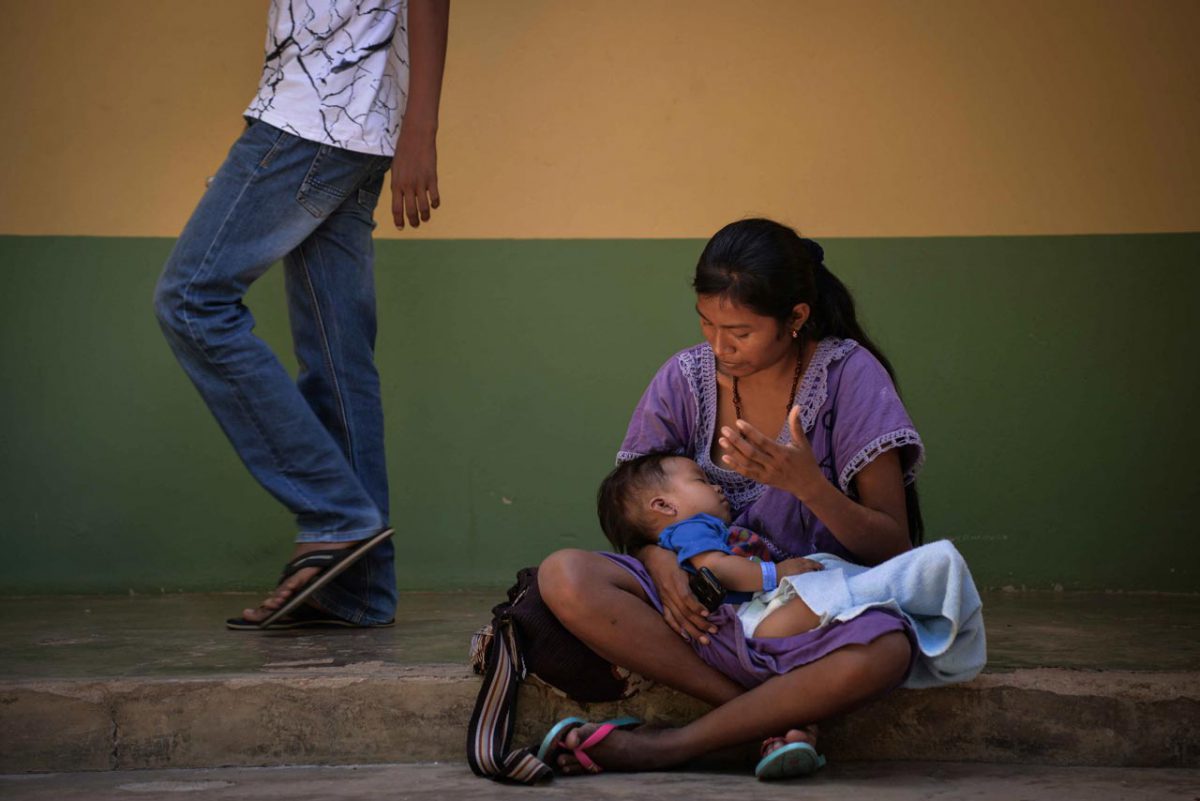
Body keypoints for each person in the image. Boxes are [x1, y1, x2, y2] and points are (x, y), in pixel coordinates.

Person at [537, 217, 931, 780]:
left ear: (795, 318)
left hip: (806, 617)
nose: (719, 346)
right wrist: (661, 563)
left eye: (740, 332)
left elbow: (893, 544)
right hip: (701, 613)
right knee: (565, 575)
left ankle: (667, 748)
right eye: (706, 323)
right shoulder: (684, 378)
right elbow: (633, 507)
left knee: (889, 650)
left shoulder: (849, 376)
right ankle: (768, 718)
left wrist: (807, 486)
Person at [153, 0, 450, 629]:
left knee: (191, 300)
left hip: (314, 113)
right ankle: (357, 590)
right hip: (349, 120)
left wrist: (422, 127)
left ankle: (335, 514)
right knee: (339, 356)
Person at [598, 452, 984, 669]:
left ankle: (885, 588)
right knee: (821, 594)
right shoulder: (690, 529)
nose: (716, 486)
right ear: (664, 505)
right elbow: (714, 568)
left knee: (824, 576)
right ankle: (903, 582)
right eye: (701, 481)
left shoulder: (697, 528)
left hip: (759, 610)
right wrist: (776, 572)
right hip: (743, 624)